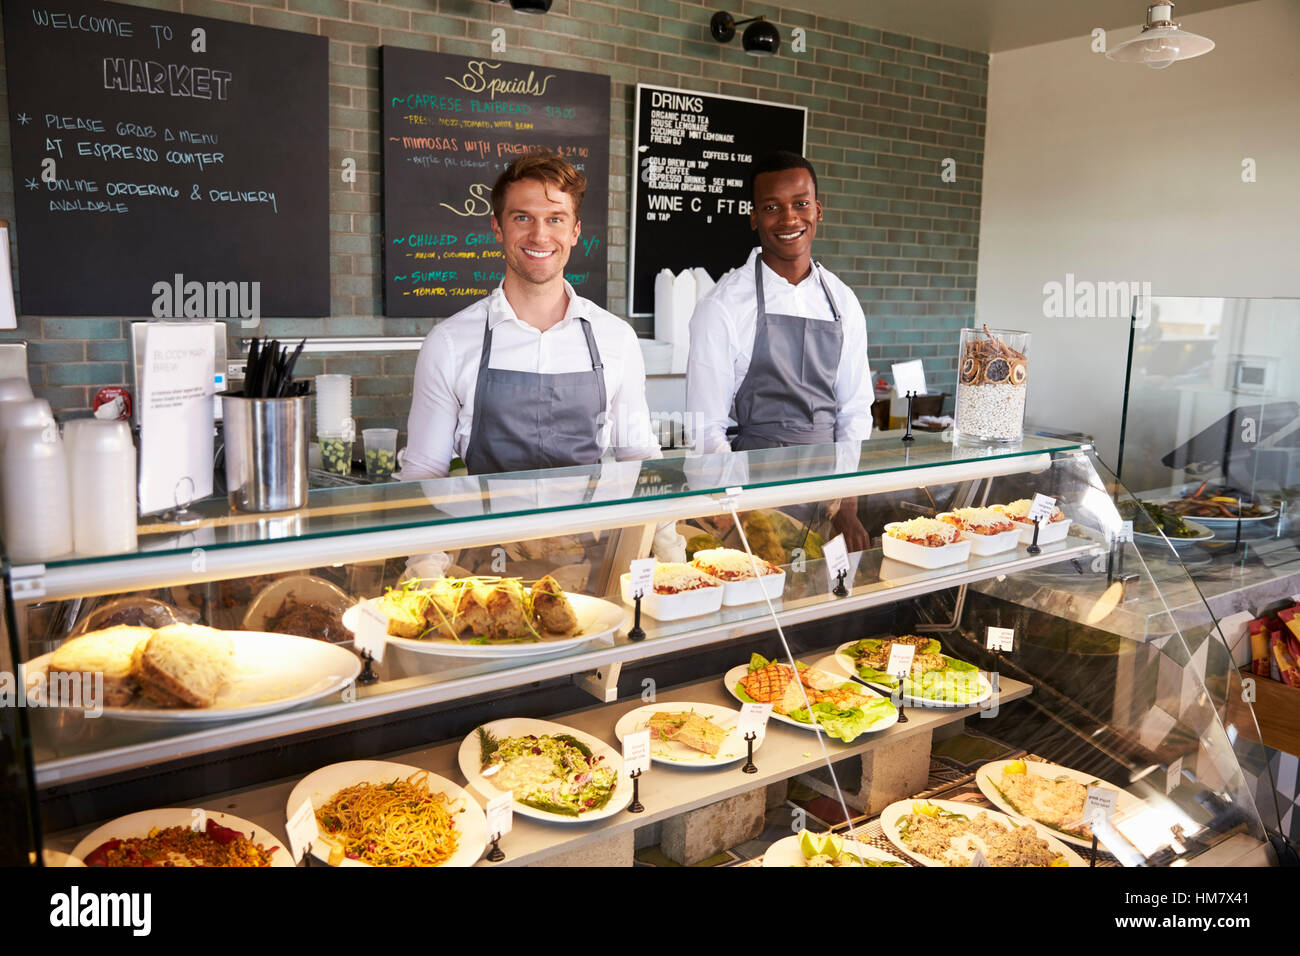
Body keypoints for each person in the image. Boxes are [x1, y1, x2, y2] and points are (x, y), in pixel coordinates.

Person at [402, 151, 661, 479]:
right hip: (488, 530)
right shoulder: (448, 344)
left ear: (575, 232)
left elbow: (638, 456)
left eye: (555, 218)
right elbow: (424, 472)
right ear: (497, 227)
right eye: (522, 218)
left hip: (589, 530)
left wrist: (665, 529)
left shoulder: (617, 339)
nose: (540, 235)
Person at [685, 151, 874, 550]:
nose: (789, 219)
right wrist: (743, 508)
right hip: (751, 499)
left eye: (800, 204)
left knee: (823, 606)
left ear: (818, 210)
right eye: (772, 207)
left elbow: (854, 410)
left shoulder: (843, 301)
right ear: (754, 217)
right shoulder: (721, 306)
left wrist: (846, 501)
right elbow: (704, 428)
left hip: (829, 499)